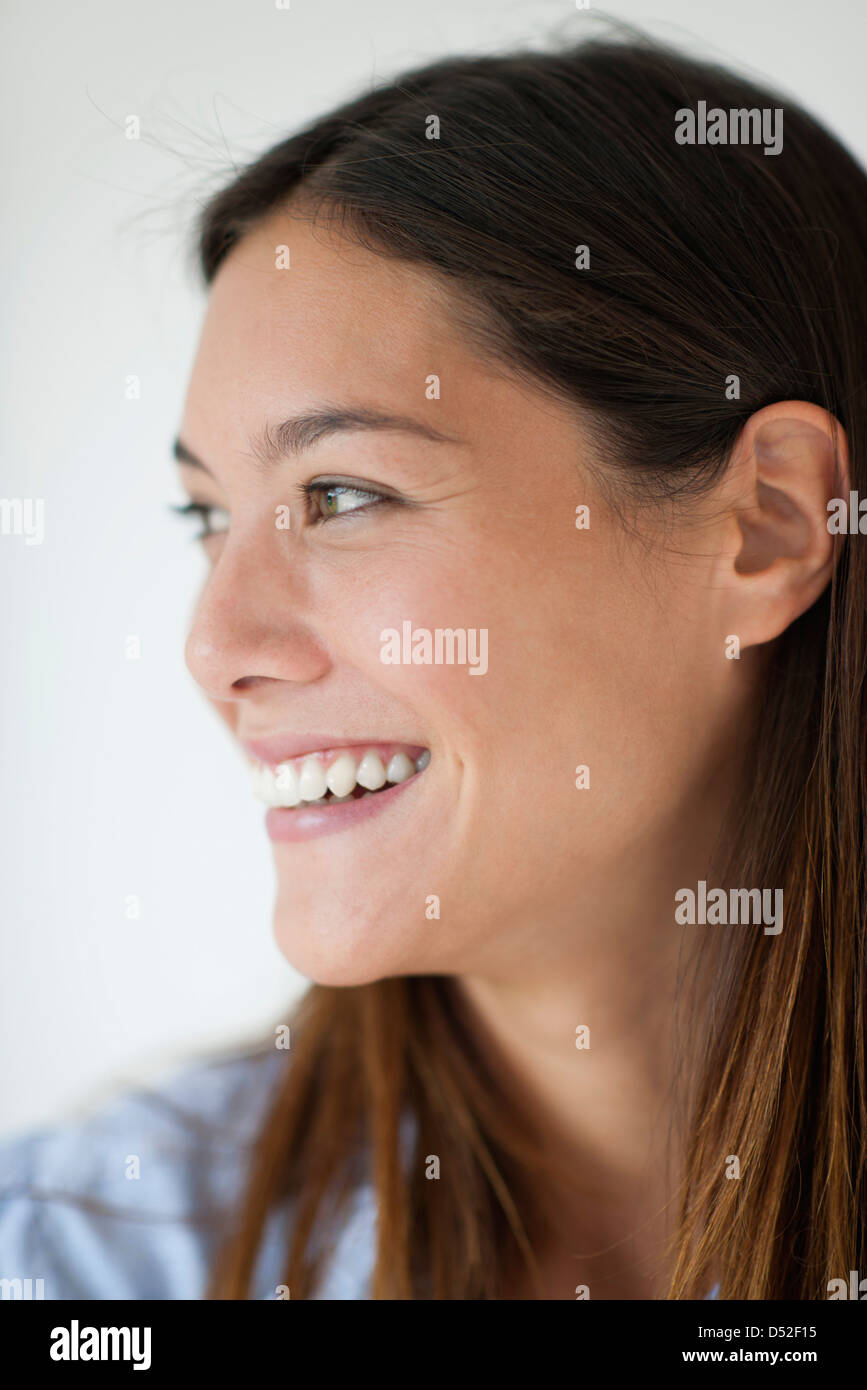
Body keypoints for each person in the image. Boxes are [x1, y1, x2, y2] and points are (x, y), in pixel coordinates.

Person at [2, 34, 866, 1301]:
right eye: (206, 517)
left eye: (341, 492)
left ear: (771, 524)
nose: (214, 647)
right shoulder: (83, 1264)